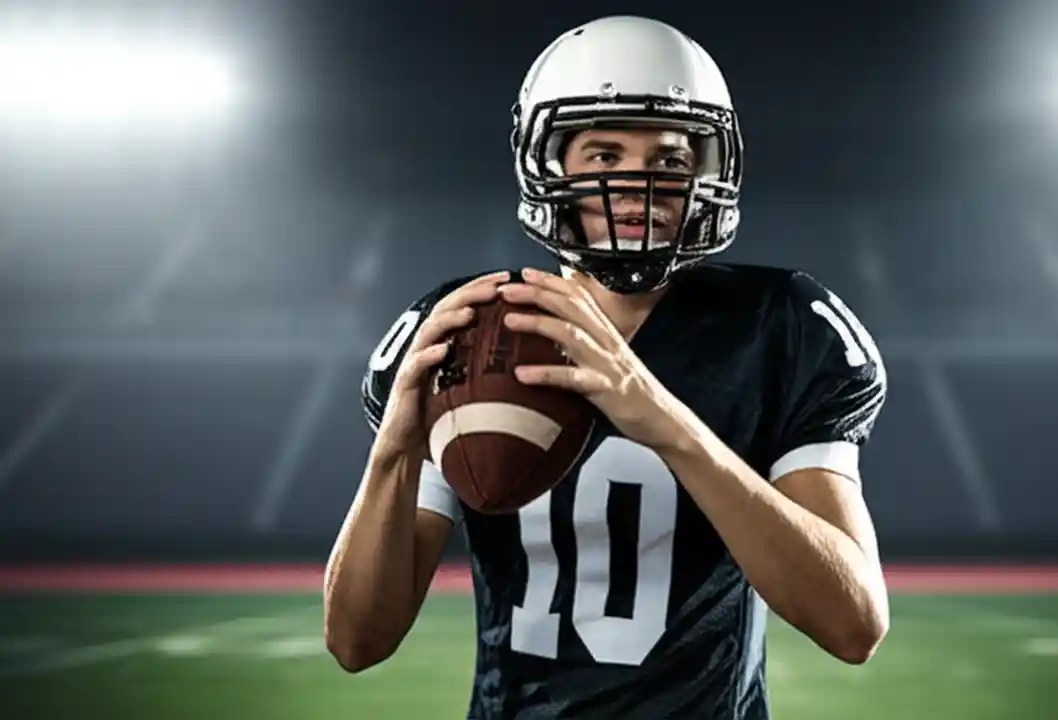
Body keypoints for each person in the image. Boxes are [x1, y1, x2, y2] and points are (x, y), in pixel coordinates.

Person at [325, 14, 890, 719]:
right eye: (602, 155)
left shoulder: (780, 325)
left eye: (670, 161)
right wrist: (393, 454)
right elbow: (356, 641)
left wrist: (666, 423)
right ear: (549, 162)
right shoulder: (474, 333)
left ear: (710, 174)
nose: (635, 184)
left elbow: (853, 624)